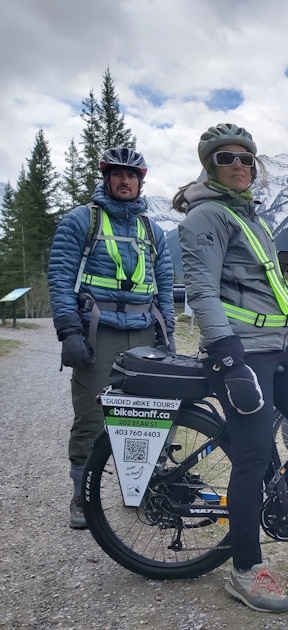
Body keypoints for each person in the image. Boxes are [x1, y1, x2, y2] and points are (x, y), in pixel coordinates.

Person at [175, 123, 288, 614]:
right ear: (209, 165)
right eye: (227, 158)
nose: (239, 165)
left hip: (279, 344)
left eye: (247, 158)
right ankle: (245, 570)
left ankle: (285, 504)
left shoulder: (252, 218)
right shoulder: (205, 218)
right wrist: (227, 355)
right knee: (249, 455)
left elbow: (277, 289)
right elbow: (200, 292)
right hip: (240, 351)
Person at [48, 147, 176, 529]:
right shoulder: (80, 221)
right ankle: (80, 494)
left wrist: (166, 331)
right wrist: (68, 331)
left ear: (140, 183)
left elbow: (164, 283)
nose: (125, 181)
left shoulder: (151, 230)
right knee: (90, 416)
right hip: (97, 331)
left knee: (151, 415)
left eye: (132, 175)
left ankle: (145, 486)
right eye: (118, 174)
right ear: (107, 179)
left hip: (142, 330)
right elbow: (60, 276)